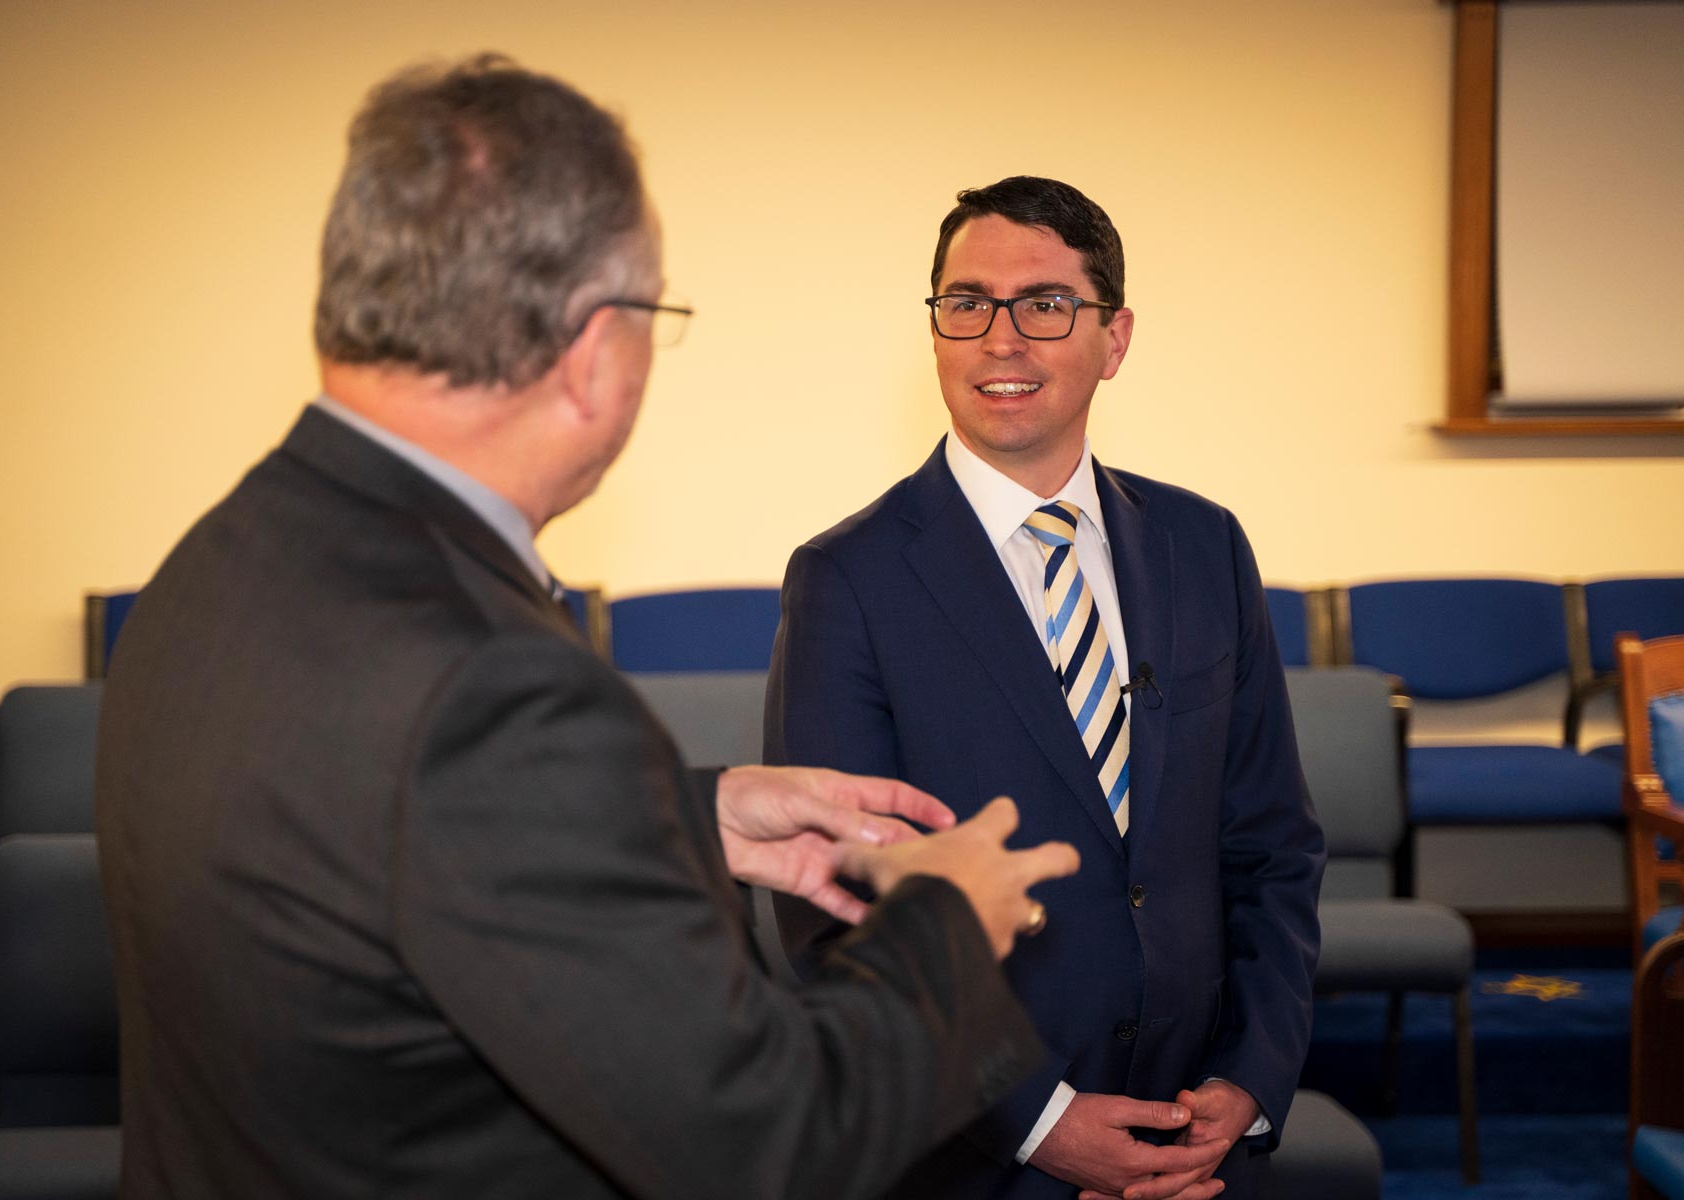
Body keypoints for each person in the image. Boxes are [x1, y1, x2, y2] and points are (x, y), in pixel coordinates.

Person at [94, 59, 1085, 1200]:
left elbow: (374, 820)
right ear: (590, 350)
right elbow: (767, 1141)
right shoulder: (491, 684)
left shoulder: (227, 557)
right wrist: (948, 926)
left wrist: (683, 815)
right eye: (654, 319)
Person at [764, 176, 1325, 1200]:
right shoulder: (848, 578)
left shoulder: (1204, 546)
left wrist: (1248, 1078)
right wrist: (1039, 1122)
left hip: (1195, 1140)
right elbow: (840, 911)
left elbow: (1273, 846)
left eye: (1047, 304)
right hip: (979, 1154)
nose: (1000, 338)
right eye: (966, 303)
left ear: (1114, 339)